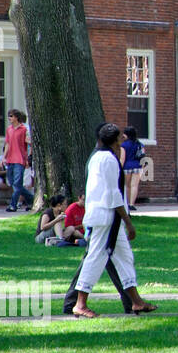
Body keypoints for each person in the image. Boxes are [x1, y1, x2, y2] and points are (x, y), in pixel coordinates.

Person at [70, 123, 157, 318]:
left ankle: (136, 301)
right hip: (105, 217)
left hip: (109, 219)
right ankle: (80, 303)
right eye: (120, 137)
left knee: (124, 256)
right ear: (114, 140)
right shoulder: (107, 160)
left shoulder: (99, 158)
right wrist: (128, 221)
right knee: (96, 257)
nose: (122, 140)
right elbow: (113, 194)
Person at [1, 109, 34, 212]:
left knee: (17, 183)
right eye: (9, 116)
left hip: (20, 159)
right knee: (13, 183)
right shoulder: (9, 129)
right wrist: (4, 157)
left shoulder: (24, 129)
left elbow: (30, 144)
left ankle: (13, 205)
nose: (9, 118)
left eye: (11, 116)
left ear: (16, 117)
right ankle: (32, 199)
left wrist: (29, 158)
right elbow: (7, 144)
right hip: (10, 159)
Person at [118, 126, 146, 211]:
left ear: (127, 135)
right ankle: (132, 204)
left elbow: (122, 158)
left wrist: (119, 168)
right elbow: (143, 156)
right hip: (137, 166)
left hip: (127, 167)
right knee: (134, 185)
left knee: (127, 186)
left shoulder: (124, 145)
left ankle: (126, 203)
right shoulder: (140, 144)